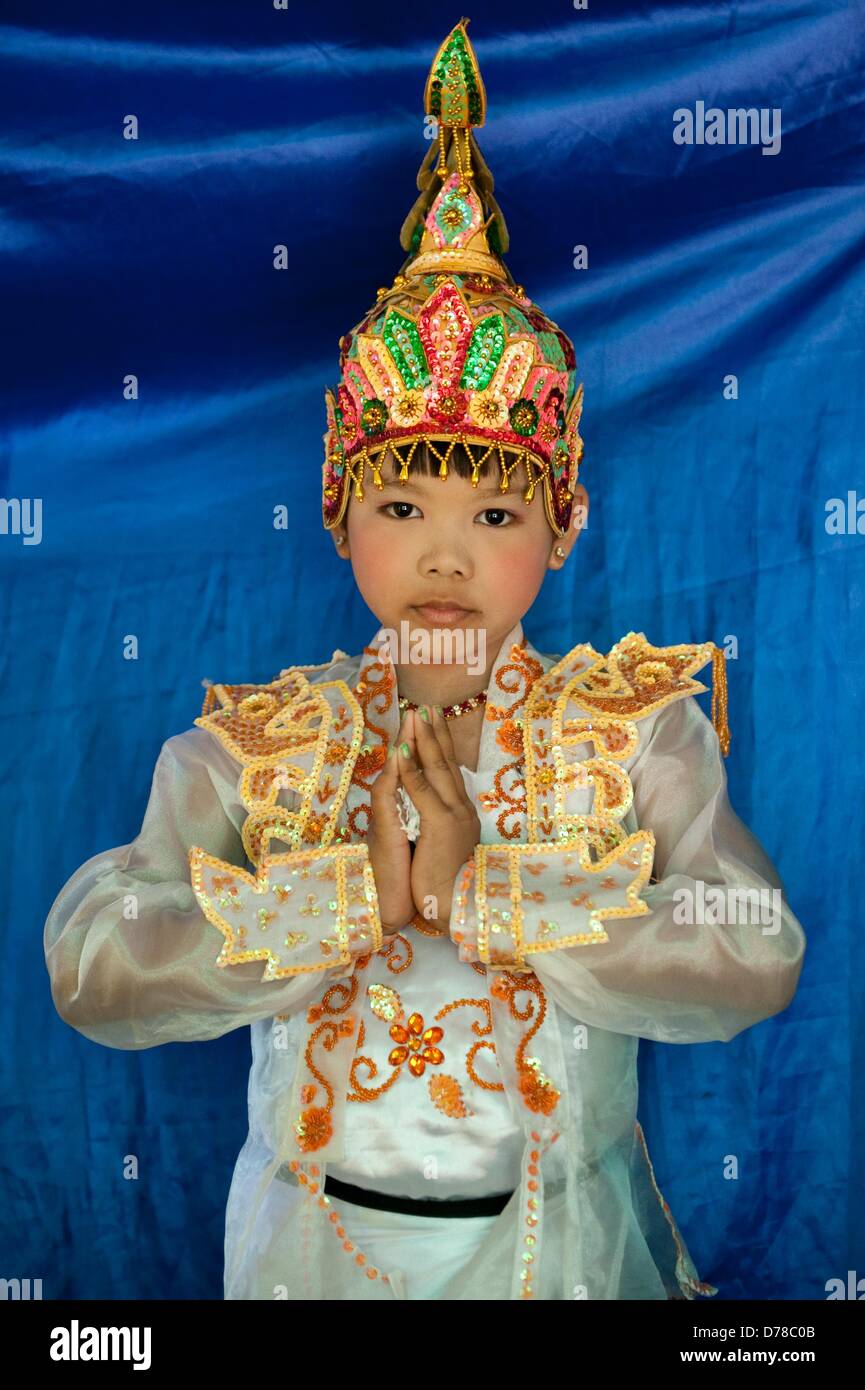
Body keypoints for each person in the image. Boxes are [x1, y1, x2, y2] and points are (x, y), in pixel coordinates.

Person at [43, 19, 805, 1301]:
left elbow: (753, 945)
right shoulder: (259, 744)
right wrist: (356, 900)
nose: (444, 560)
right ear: (338, 516)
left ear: (562, 530)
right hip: (312, 1252)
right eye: (403, 510)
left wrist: (487, 894)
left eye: (494, 516)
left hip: (559, 1249)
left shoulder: (631, 732)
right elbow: (98, 957)